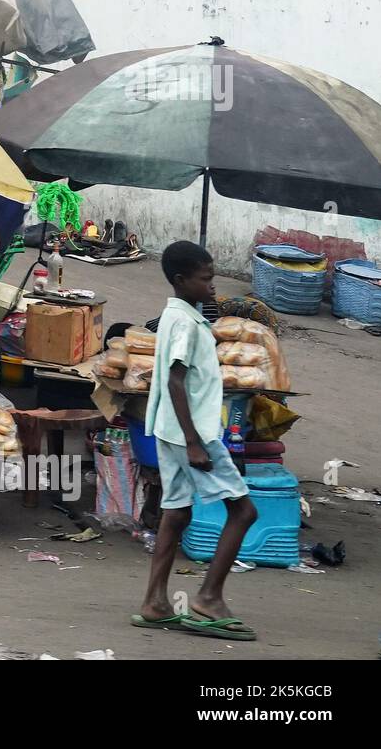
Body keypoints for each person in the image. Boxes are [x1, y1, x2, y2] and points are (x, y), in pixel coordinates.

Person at [133, 241, 258, 641]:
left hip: (170, 431)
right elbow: (174, 379)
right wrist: (194, 443)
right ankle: (209, 597)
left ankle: (155, 602)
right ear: (181, 280)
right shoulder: (186, 324)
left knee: (176, 513)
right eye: (206, 280)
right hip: (193, 435)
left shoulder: (179, 315)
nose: (212, 287)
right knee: (243, 512)